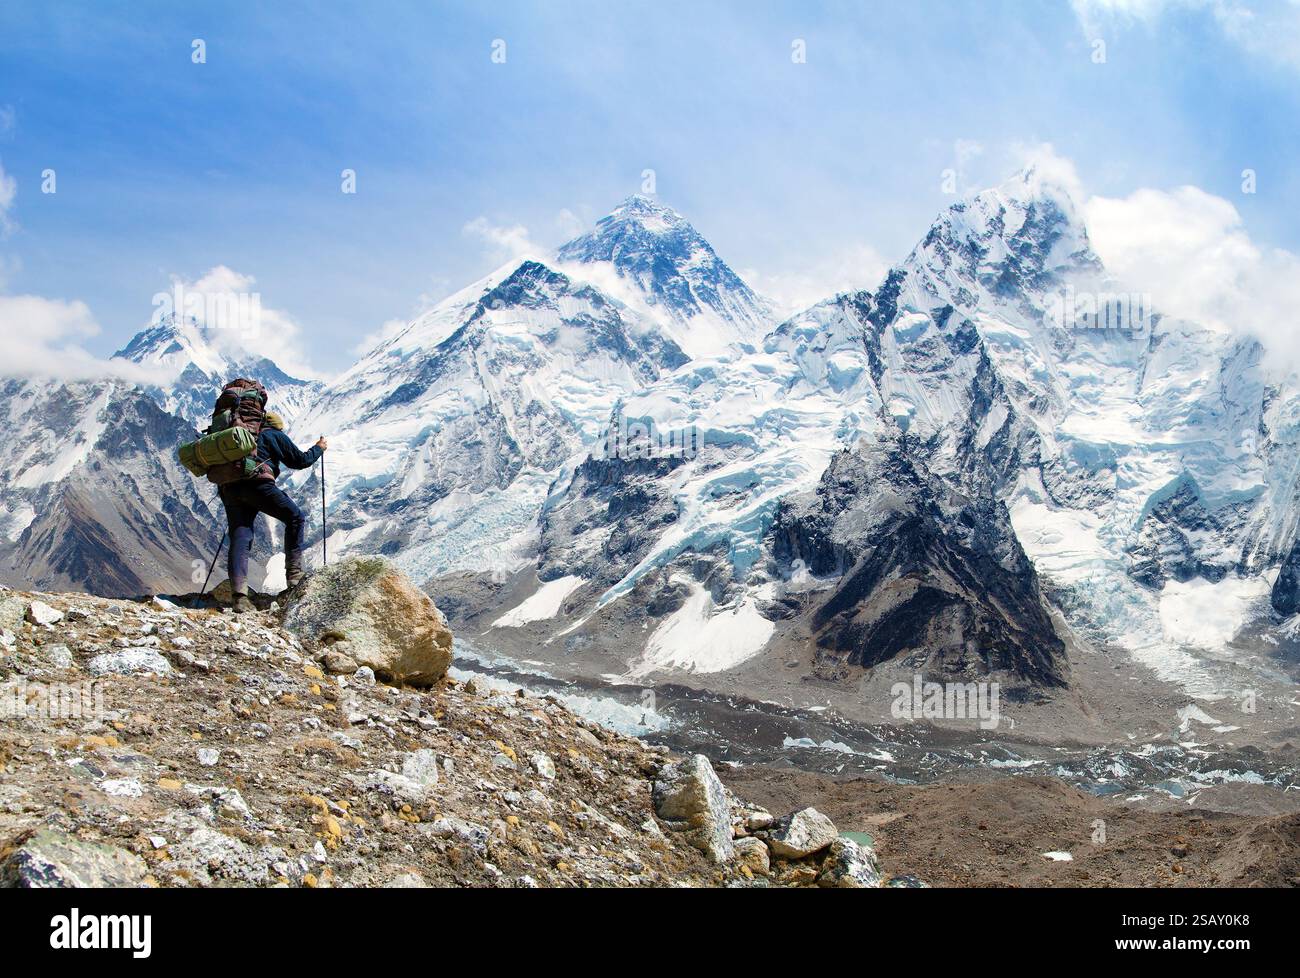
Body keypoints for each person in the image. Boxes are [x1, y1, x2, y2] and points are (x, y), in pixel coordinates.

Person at [219, 410, 327, 613]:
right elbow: (299, 461)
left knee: (240, 535)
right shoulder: (273, 434)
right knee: (295, 517)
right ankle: (294, 576)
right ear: (277, 425)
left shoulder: (241, 436)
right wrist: (319, 448)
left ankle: (239, 598)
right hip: (258, 485)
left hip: (229, 487)